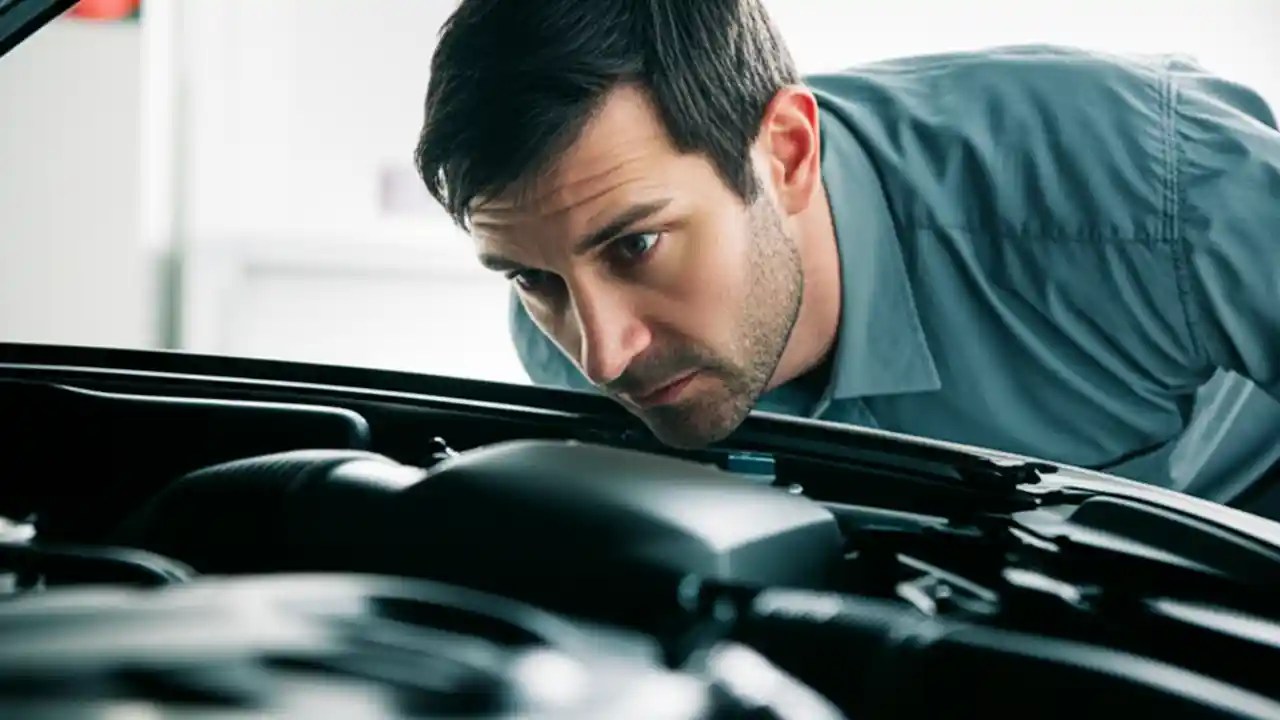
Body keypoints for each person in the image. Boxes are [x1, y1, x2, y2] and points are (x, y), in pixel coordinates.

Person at [413, 0, 1280, 499]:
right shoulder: (556, 333)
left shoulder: (1153, 190)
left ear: (786, 153)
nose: (602, 356)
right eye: (532, 276)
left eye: (637, 245)